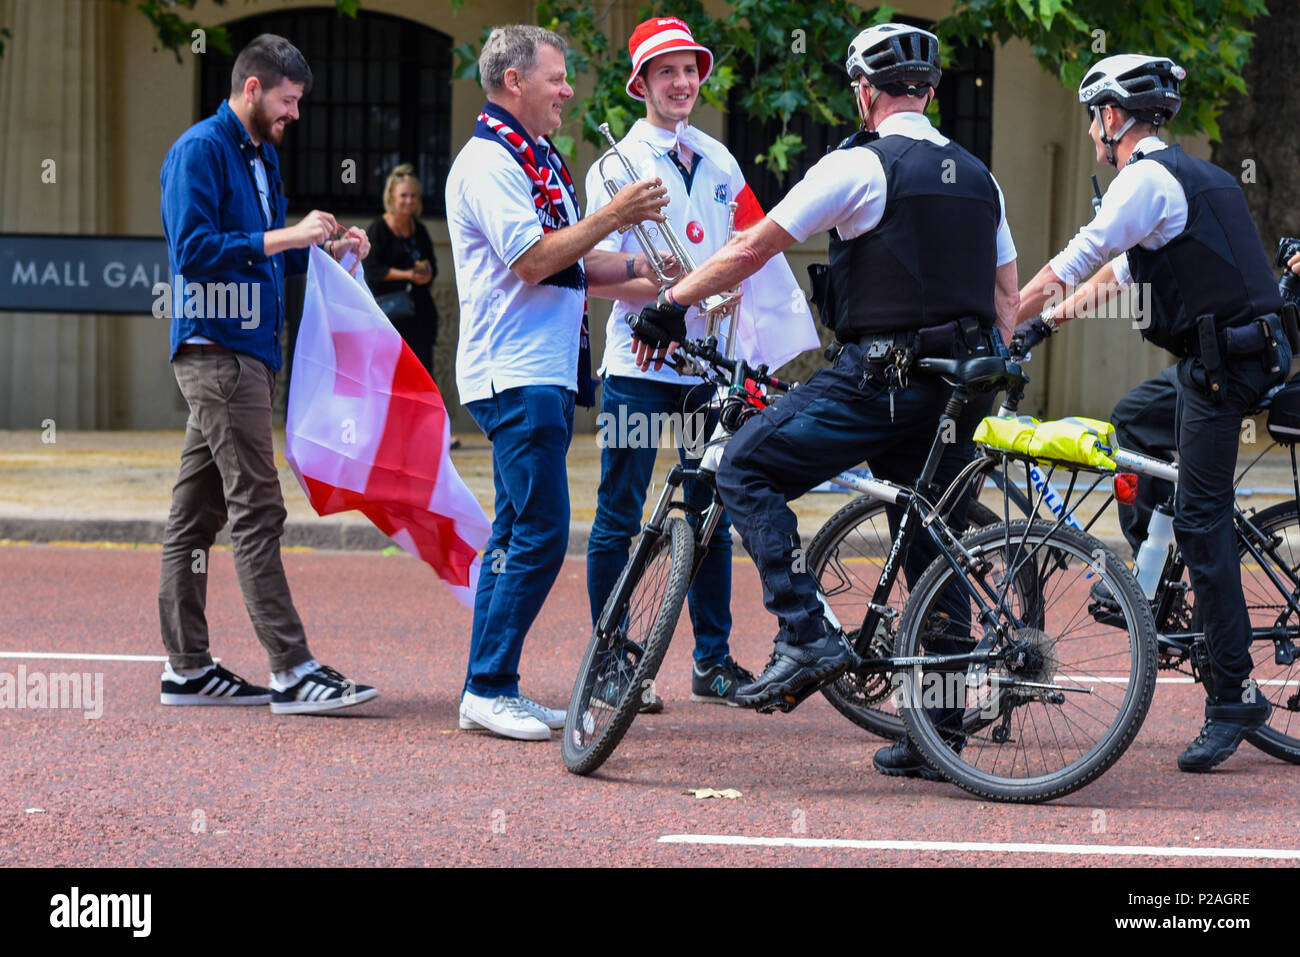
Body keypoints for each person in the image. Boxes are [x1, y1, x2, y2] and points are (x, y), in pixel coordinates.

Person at [631, 22, 1019, 777]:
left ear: (865, 92)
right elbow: (1006, 294)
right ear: (931, 93)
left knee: (744, 465)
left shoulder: (860, 167)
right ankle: (939, 735)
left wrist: (673, 300)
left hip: (881, 379)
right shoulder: (980, 175)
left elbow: (753, 246)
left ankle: (805, 630)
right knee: (925, 542)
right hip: (960, 386)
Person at [1013, 54, 1290, 771]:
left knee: (1202, 516)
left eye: (1094, 116)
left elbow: (1074, 260)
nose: (1092, 130)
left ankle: (1232, 695)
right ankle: (1149, 576)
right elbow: (1124, 272)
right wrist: (1045, 326)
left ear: (1111, 117)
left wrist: (1003, 317)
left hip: (1225, 371)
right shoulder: (1185, 176)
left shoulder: (1142, 180)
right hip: (1230, 358)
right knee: (1134, 417)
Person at [582, 17, 817, 709]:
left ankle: (712, 660)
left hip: (711, 369)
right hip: (639, 363)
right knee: (618, 516)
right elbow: (592, 271)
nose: (682, 82)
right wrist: (669, 294)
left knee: (712, 512)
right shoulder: (614, 167)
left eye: (690, 70)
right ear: (641, 84)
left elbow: (754, 247)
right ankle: (611, 659)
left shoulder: (719, 159)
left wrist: (736, 295)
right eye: (667, 72)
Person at [445, 24, 671, 741]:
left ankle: (488, 685)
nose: (569, 90)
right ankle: (487, 685)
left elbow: (574, 264)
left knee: (516, 531)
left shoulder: (532, 159)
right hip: (513, 374)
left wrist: (658, 274)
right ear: (515, 83)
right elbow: (534, 261)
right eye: (557, 77)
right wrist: (616, 214)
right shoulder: (489, 163)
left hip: (532, 372)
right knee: (542, 532)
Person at [157, 33, 378, 714]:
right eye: (287, 101)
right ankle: (292, 668)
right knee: (259, 505)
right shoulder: (200, 149)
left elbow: (256, 257)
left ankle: (187, 669)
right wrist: (289, 235)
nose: (295, 115)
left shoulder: (260, 158)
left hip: (246, 354)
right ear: (252, 88)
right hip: (216, 350)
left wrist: (329, 251)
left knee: (196, 514)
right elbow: (193, 251)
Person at [364, 163, 440, 380]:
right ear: (391, 197)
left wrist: (424, 271)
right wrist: (407, 275)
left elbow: (431, 265)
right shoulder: (379, 229)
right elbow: (373, 270)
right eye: (404, 195)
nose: (409, 201)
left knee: (420, 382)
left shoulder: (420, 229)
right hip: (390, 320)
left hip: (420, 319)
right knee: (389, 383)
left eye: (414, 196)